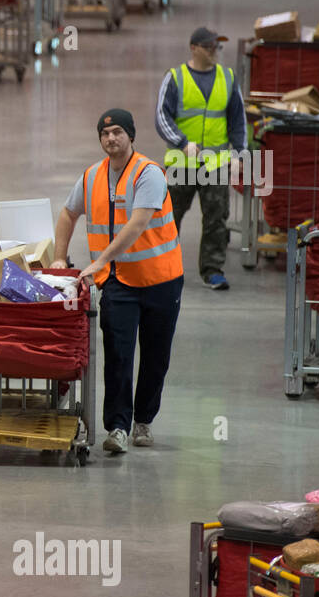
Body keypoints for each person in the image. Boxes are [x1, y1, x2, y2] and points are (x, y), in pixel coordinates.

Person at [52, 109, 184, 455]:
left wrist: (99, 260)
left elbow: (137, 225)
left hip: (161, 281)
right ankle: (118, 427)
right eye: (105, 133)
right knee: (118, 354)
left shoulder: (149, 174)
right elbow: (68, 213)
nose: (111, 138)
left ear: (131, 136)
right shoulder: (92, 176)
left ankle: (144, 420)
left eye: (118, 132)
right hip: (118, 282)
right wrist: (58, 256)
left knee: (156, 356)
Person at [155, 26, 245, 291]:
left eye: (217, 46)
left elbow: (237, 119)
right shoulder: (175, 78)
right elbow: (162, 116)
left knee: (217, 218)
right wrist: (182, 143)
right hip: (182, 164)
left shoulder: (228, 78)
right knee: (170, 217)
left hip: (215, 164)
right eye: (208, 47)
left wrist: (239, 153)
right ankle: (165, 268)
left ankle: (212, 270)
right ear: (193, 48)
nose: (214, 51)